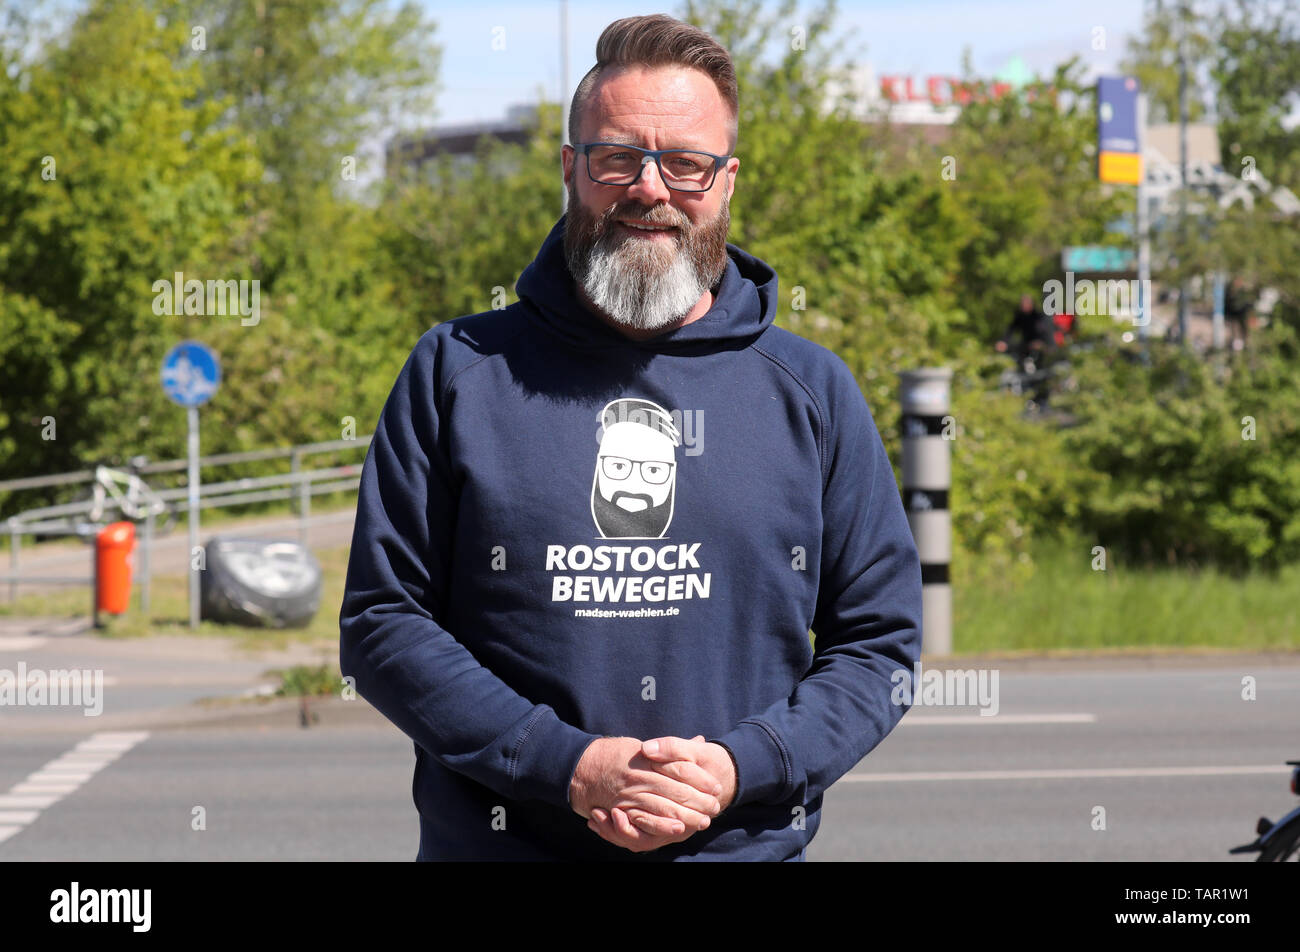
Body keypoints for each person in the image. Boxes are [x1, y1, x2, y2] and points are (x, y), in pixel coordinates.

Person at [339, 13, 922, 862]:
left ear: (726, 183)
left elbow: (879, 644)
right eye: (618, 157)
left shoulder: (811, 391)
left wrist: (739, 766)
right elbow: (383, 623)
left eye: (686, 163)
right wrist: (567, 767)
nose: (650, 189)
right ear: (572, 170)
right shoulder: (457, 372)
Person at [996, 294, 1053, 366]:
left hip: (1041, 348)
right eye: (1022, 304)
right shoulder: (1020, 317)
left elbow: (1047, 333)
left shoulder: (1039, 317)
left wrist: (1042, 344)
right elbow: (1010, 330)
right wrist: (1003, 341)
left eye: (1026, 304)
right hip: (1025, 346)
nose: (1024, 306)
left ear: (1032, 304)